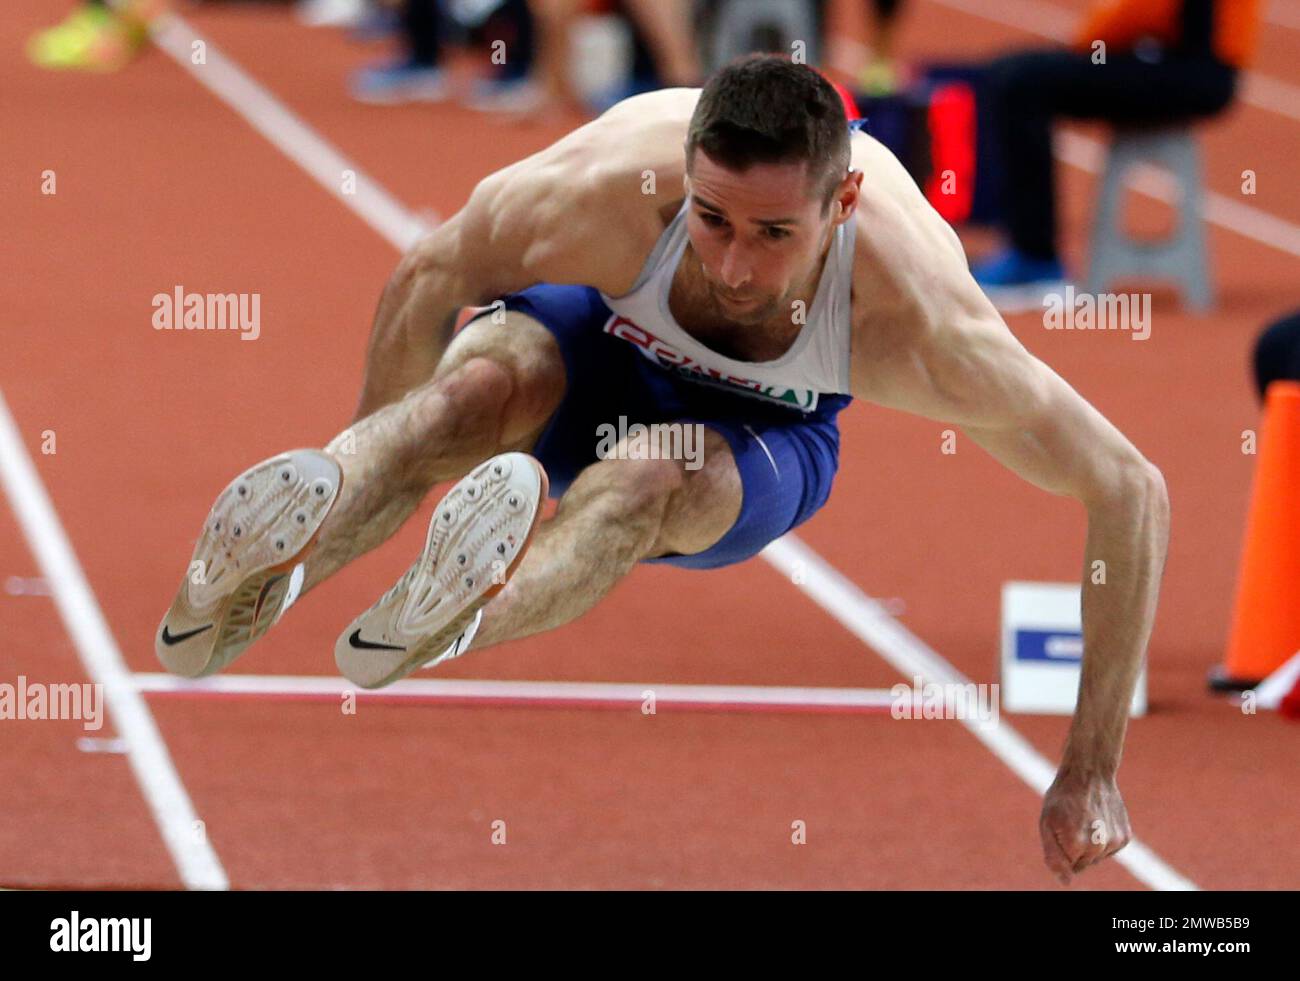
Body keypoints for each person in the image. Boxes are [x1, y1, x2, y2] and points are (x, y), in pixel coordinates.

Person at [157, 55, 1169, 884]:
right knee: (468, 397)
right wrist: (367, 478)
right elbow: (430, 272)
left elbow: (1128, 488)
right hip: (599, 338)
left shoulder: (922, 326)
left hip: (761, 433)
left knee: (648, 475)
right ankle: (278, 562)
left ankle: (453, 613)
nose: (733, 266)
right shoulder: (598, 194)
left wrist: (1090, 770)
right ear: (681, 174)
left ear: (845, 201)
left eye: (775, 235)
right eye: (714, 219)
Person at [972, 0, 1261, 303]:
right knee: (1011, 73)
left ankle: (1035, 258)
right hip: (1179, 59)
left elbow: (1137, 13)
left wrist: (1088, 44)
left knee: (1019, 85)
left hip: (1192, 69)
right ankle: (1025, 249)